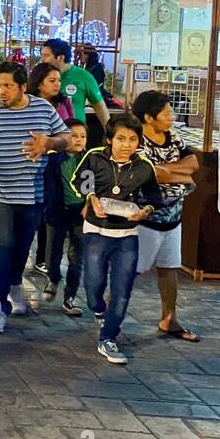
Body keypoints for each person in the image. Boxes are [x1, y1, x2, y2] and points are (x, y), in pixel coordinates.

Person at [0, 62, 72, 334]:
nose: (1, 91)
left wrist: (49, 143)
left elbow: (66, 138)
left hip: (31, 193)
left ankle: (14, 284)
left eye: (7, 86)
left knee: (22, 245)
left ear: (22, 87)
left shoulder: (43, 109)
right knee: (0, 243)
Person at [72, 115, 162, 365]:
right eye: (121, 139)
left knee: (122, 290)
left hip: (127, 235)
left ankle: (108, 337)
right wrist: (91, 199)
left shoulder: (144, 167)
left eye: (133, 139)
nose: (127, 144)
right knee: (93, 286)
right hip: (96, 231)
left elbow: (154, 197)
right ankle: (99, 311)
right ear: (110, 140)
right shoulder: (95, 157)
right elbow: (80, 181)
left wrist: (145, 211)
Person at [132, 91, 201, 343]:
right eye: (166, 112)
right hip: (146, 219)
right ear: (149, 117)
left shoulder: (173, 136)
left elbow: (192, 163)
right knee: (132, 271)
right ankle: (108, 313)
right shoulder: (136, 140)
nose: (171, 116)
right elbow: (147, 174)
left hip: (174, 218)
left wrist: (168, 172)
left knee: (169, 268)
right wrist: (179, 176)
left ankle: (169, 318)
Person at [40, 119, 88, 315]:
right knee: (53, 252)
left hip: (81, 214)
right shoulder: (54, 159)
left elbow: (93, 187)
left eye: (82, 136)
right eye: (73, 135)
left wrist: (89, 205)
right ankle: (52, 278)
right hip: (57, 212)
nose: (78, 140)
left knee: (76, 257)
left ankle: (70, 297)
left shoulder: (90, 159)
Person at [42, 38, 110, 141]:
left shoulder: (83, 76)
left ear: (60, 57)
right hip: (48, 137)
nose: (42, 59)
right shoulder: (40, 76)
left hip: (76, 138)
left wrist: (110, 134)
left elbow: (100, 107)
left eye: (46, 55)